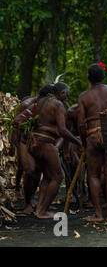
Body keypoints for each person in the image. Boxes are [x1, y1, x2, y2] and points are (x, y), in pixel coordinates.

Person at [24, 82, 82, 219]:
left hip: (34, 142)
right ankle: (42, 211)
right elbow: (62, 130)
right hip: (46, 143)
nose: (67, 97)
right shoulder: (58, 105)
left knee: (47, 176)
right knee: (57, 177)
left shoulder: (41, 102)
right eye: (66, 94)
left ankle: (39, 208)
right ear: (61, 93)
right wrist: (77, 141)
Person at [77, 64, 107, 222]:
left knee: (93, 175)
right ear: (103, 77)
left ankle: (99, 215)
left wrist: (84, 143)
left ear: (88, 78)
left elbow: (81, 124)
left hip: (93, 135)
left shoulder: (84, 96)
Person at [12, 84, 55, 213]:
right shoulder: (28, 105)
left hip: (38, 143)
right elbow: (16, 122)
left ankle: (33, 201)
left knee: (38, 172)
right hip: (24, 141)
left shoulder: (46, 107)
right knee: (29, 170)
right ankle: (27, 203)